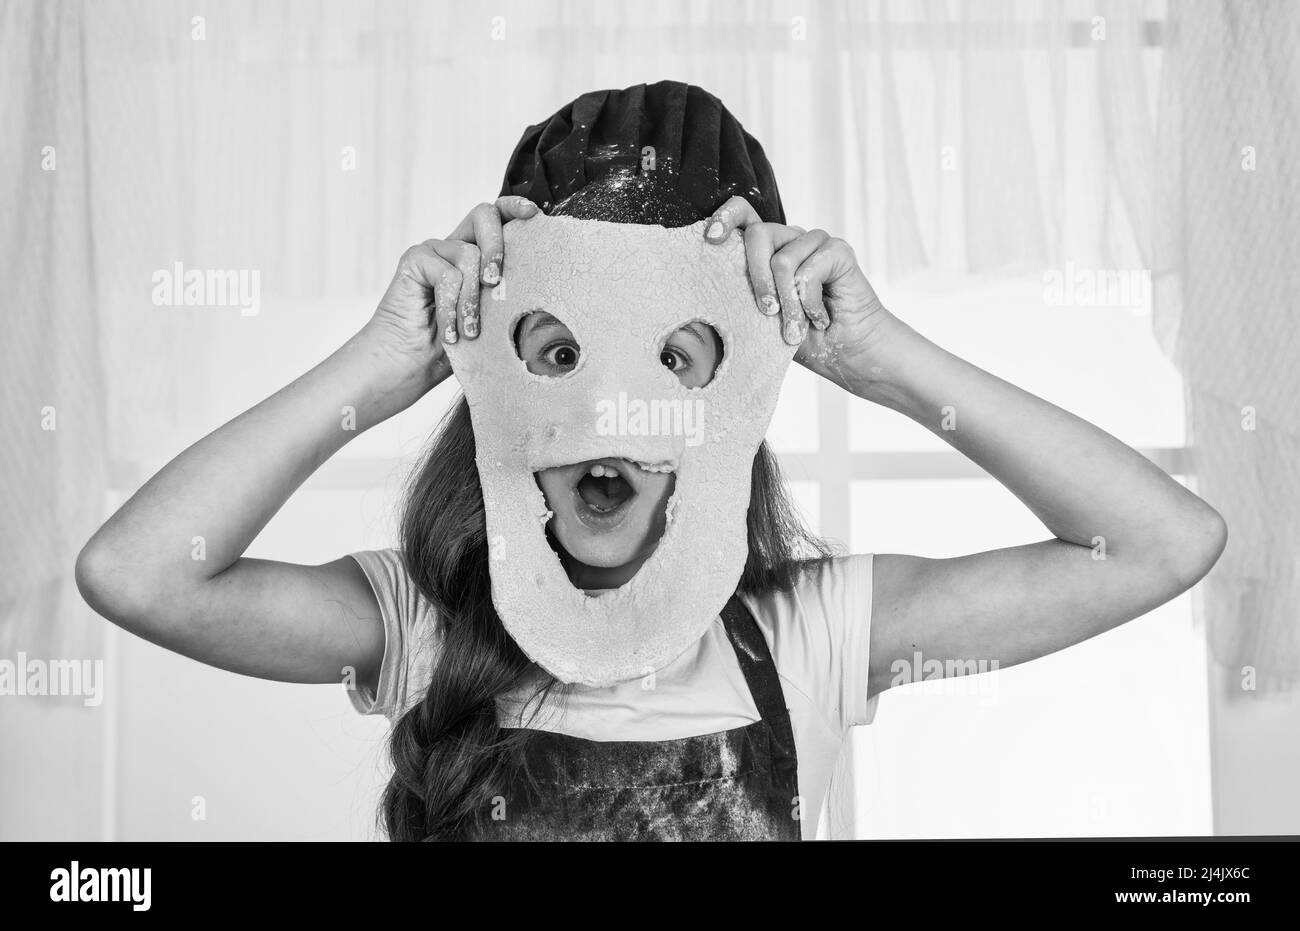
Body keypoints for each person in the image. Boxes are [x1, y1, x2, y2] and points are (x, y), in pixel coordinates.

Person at [75, 80, 1227, 841]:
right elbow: (139, 573)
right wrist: (384, 365)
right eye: (561, 352)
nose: (611, 413)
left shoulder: (809, 637)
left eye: (676, 357)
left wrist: (877, 358)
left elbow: (1161, 543)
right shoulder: (426, 629)